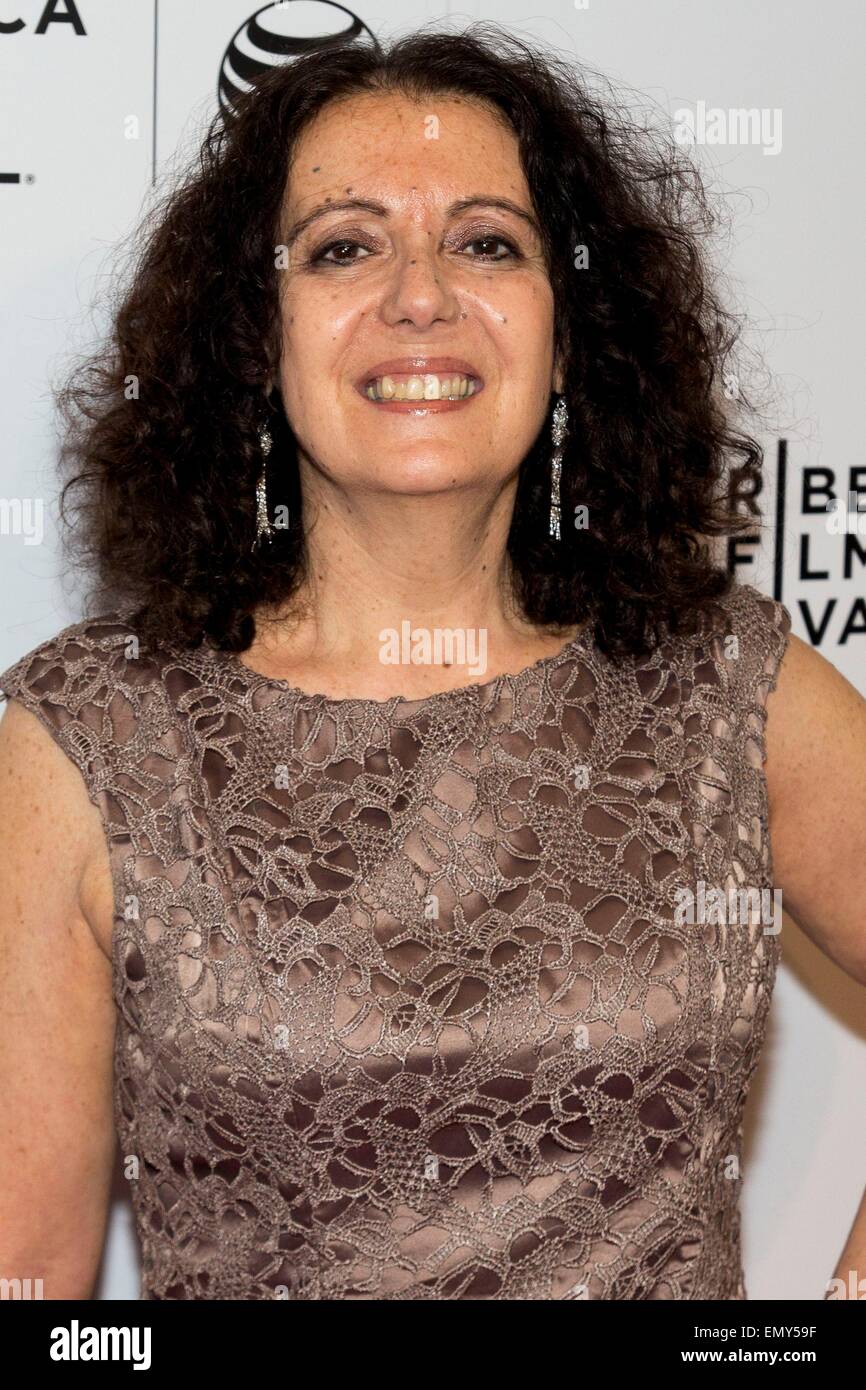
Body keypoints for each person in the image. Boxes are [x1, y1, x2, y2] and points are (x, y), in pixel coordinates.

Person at [1, 25, 864, 1302]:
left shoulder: (722, 689)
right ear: (256, 335)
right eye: (343, 245)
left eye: (486, 243)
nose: (419, 294)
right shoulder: (89, 738)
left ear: (568, 334)